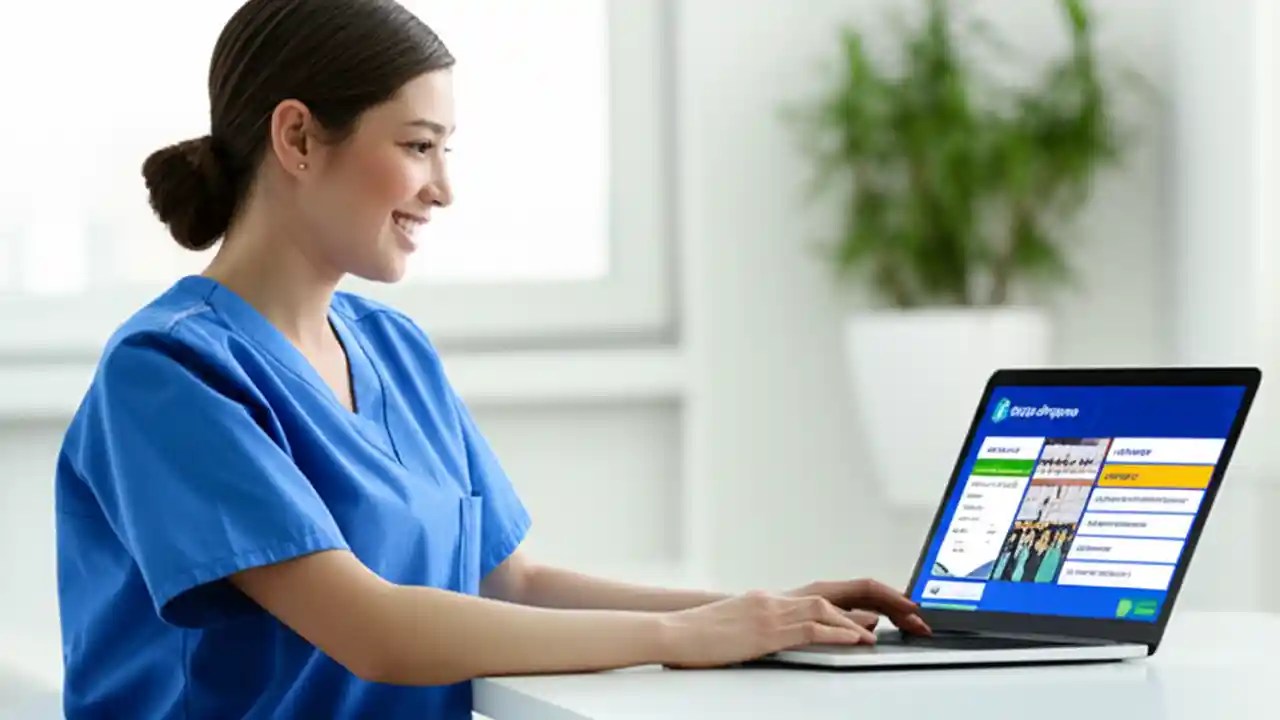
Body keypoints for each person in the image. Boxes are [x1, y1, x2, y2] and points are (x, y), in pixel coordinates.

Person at [52, 1, 930, 718]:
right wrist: (683, 638)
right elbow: (376, 631)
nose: (443, 187)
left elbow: (513, 581)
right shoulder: (168, 375)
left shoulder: (393, 348)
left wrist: (757, 614)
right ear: (298, 138)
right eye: (417, 145)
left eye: (445, 149)